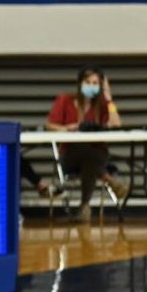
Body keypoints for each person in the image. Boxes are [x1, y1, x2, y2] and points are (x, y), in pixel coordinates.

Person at [46, 66, 127, 211]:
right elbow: (49, 125)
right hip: (70, 156)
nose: (91, 86)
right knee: (88, 153)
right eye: (88, 82)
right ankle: (108, 180)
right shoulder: (65, 100)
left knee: (90, 157)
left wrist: (109, 100)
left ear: (100, 86)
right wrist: (66, 129)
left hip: (97, 155)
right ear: (80, 83)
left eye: (95, 83)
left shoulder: (102, 105)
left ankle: (84, 208)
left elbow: (116, 124)